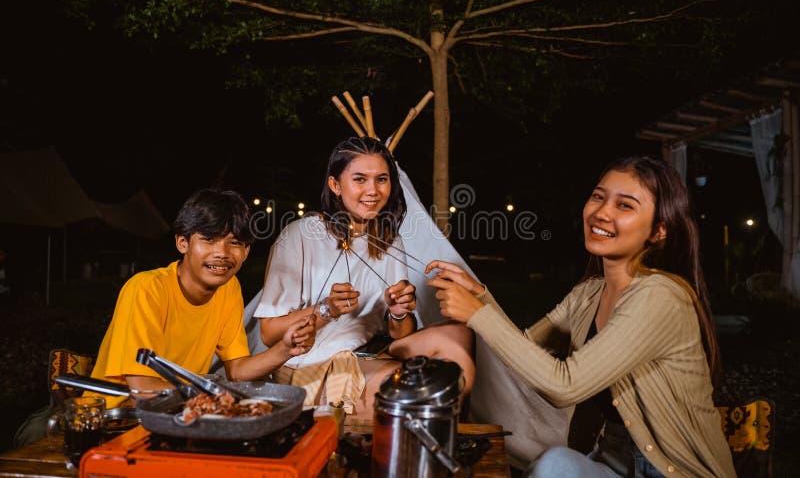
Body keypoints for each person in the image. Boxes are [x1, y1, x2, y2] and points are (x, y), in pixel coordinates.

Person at [427, 156, 735, 478]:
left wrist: (478, 314)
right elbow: (521, 352)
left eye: (625, 205)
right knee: (554, 464)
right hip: (613, 463)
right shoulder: (589, 294)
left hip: (672, 472)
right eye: (598, 197)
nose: (602, 212)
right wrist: (480, 296)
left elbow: (565, 386)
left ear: (659, 231)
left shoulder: (660, 296)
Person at [254, 136, 474, 415]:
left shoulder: (388, 240)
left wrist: (398, 312)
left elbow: (401, 334)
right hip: (312, 362)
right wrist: (326, 310)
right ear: (335, 185)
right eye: (360, 179)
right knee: (419, 391)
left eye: (381, 179)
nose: (373, 190)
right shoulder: (300, 235)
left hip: (369, 351)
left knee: (459, 336)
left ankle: (441, 429)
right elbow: (269, 334)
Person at [90, 188, 316, 407]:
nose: (222, 253)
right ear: (183, 243)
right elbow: (143, 390)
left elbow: (237, 370)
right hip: (116, 416)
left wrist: (285, 349)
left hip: (180, 411)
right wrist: (213, 395)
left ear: (246, 251)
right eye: (209, 239)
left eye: (234, 242)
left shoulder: (228, 288)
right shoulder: (147, 289)